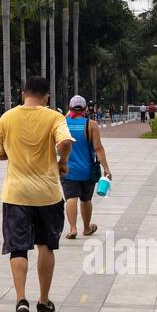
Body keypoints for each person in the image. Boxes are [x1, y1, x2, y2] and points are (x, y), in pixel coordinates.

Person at [0, 76, 74, 312]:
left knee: (18, 248)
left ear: (22, 93)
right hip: (48, 194)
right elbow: (65, 142)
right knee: (46, 246)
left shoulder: (7, 118)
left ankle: (21, 299)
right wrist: (63, 161)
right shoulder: (54, 117)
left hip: (15, 194)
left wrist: (13, 153)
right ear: (46, 96)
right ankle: (44, 302)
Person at [61, 95, 110, 240]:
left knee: (70, 198)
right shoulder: (91, 125)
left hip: (67, 169)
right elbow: (98, 148)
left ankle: (72, 228)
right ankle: (87, 228)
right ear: (86, 109)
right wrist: (106, 168)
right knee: (86, 199)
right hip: (87, 170)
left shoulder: (63, 123)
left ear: (69, 108)